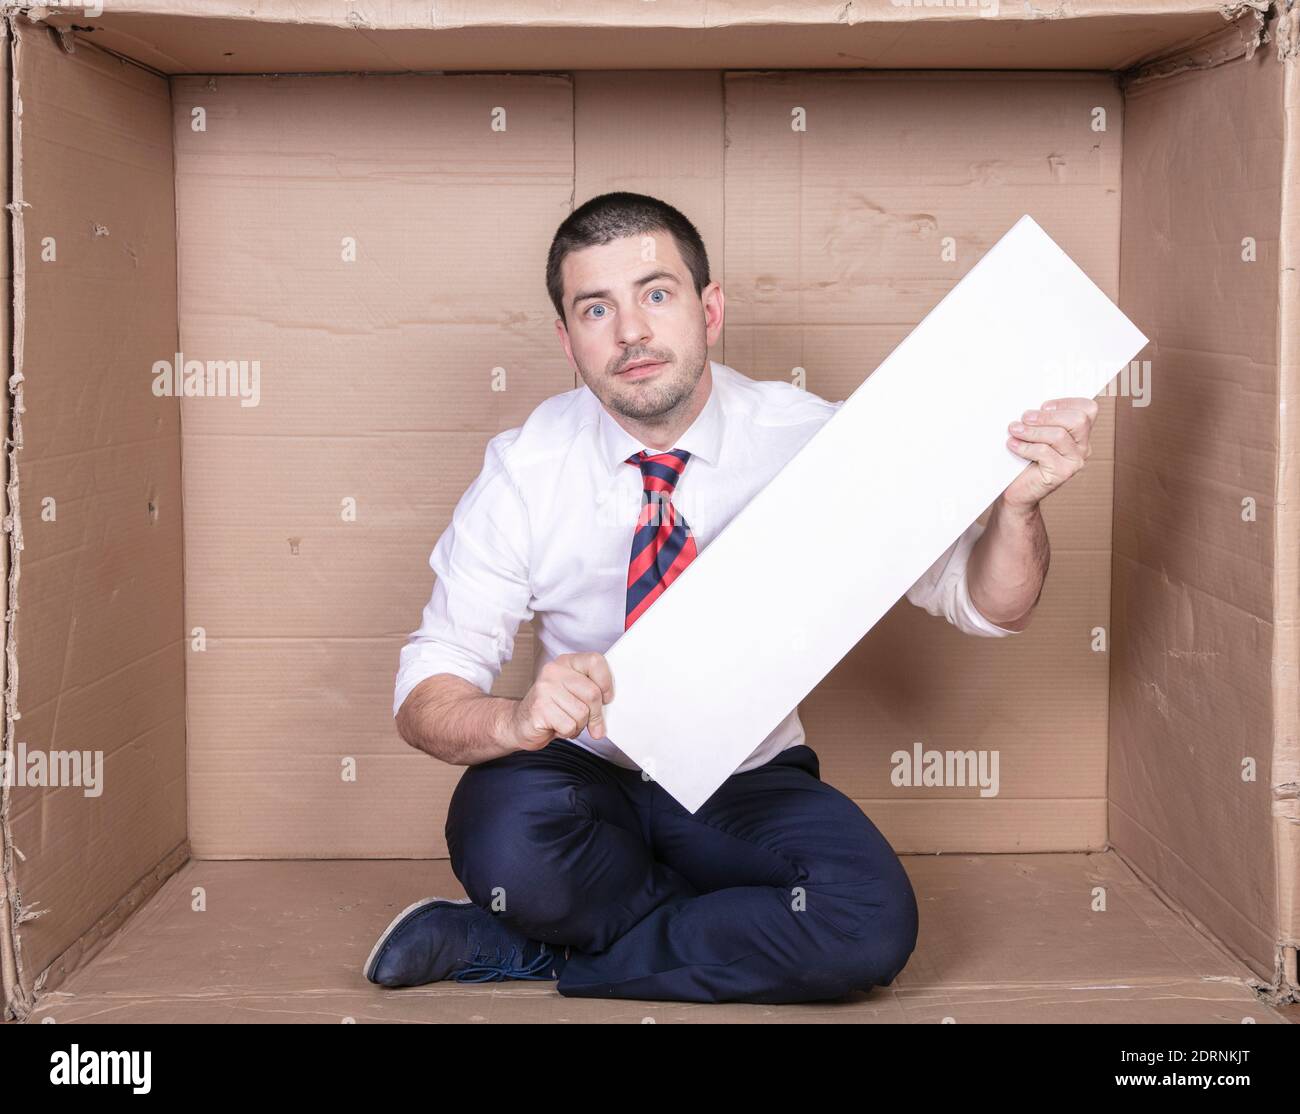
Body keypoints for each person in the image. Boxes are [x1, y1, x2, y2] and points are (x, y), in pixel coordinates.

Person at [365, 191, 1096, 1004]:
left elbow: (988, 604)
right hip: (586, 772)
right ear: (567, 339)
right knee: (501, 834)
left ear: (709, 310)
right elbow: (428, 686)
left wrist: (1018, 507)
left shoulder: (812, 440)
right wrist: (513, 720)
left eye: (656, 293)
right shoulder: (525, 469)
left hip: (743, 779)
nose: (631, 331)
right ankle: (689, 929)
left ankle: (540, 945)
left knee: (866, 924)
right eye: (595, 308)